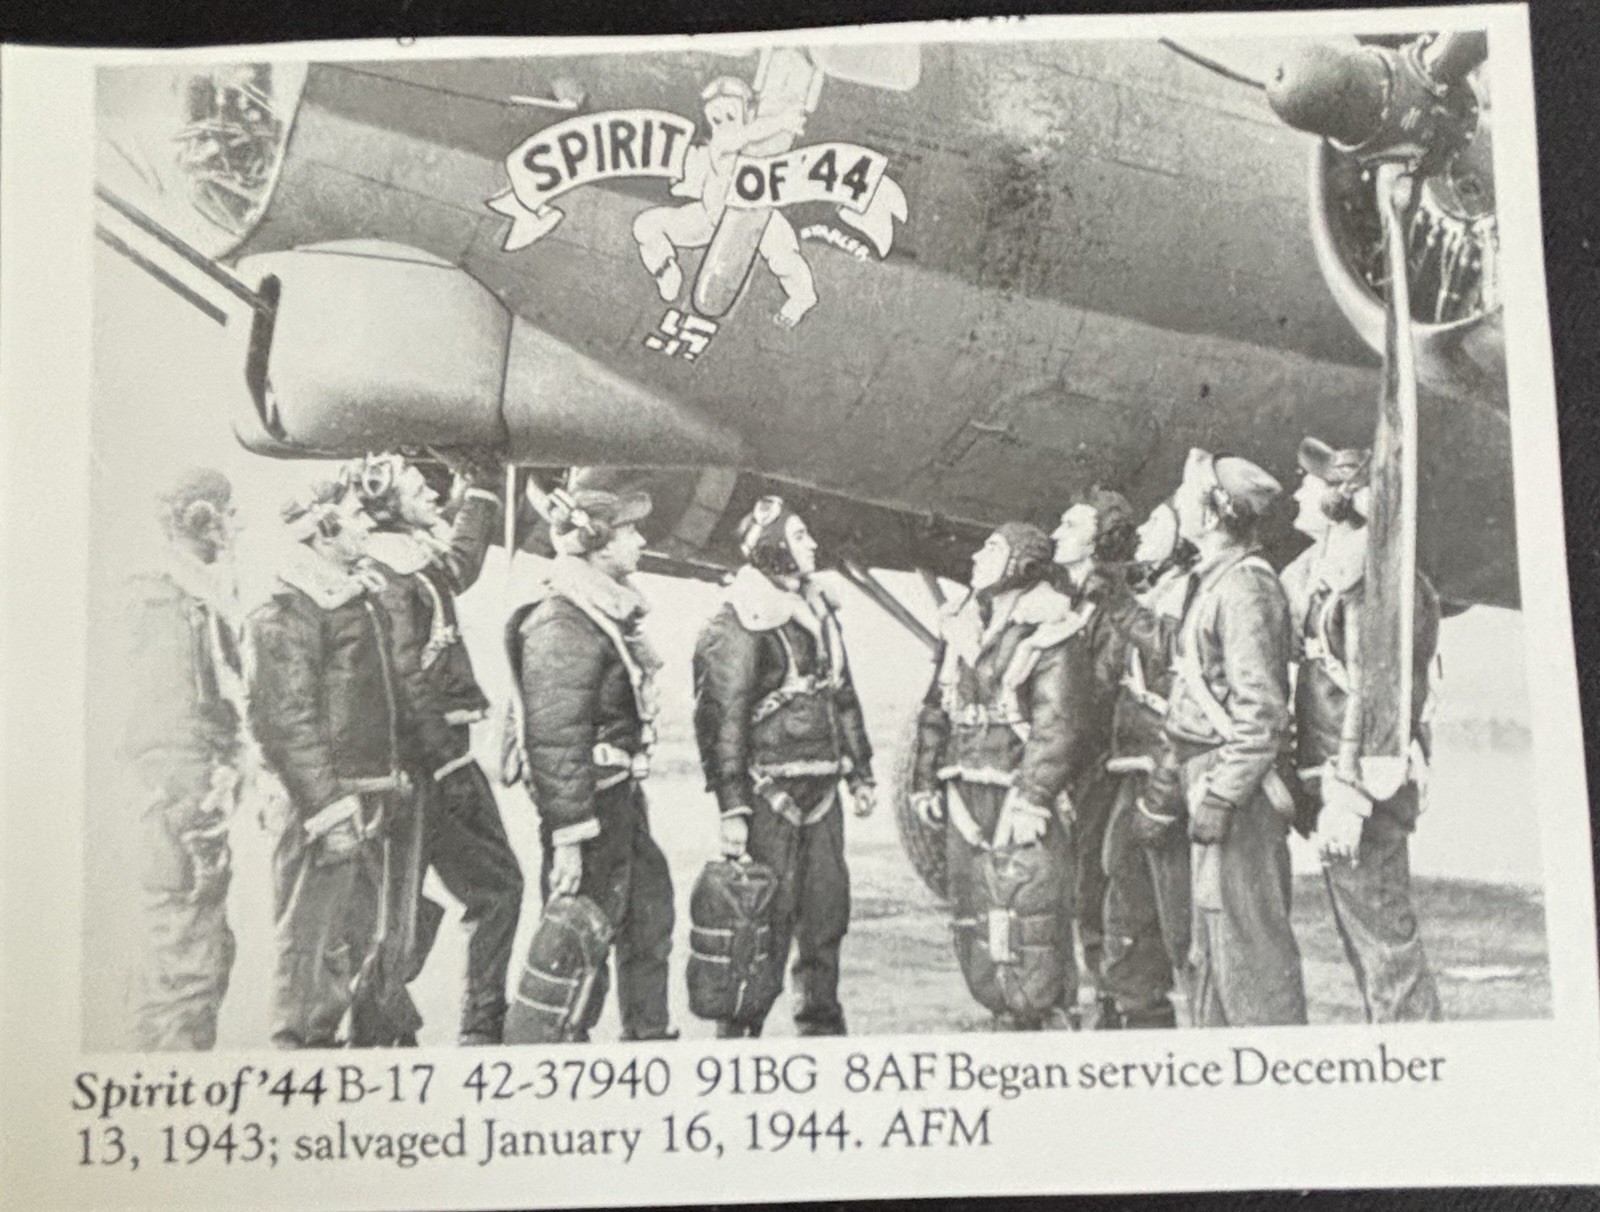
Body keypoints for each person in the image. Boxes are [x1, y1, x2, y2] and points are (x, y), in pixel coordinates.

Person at [348, 451, 524, 1046]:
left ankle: (477, 1026)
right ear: (391, 506)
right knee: (397, 915)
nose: (431, 492)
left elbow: (457, 564)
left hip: (442, 760)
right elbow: (408, 681)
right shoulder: (388, 577)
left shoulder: (411, 560)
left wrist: (482, 489)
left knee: (496, 886)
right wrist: (448, 762)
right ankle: (380, 1032)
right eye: (418, 487)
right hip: (420, 769)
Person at [692, 496, 876, 1037]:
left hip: (823, 794)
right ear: (773, 549)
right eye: (799, 536)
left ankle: (820, 1026)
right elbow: (721, 720)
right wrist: (732, 808)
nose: (812, 544)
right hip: (768, 796)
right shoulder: (737, 621)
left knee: (826, 914)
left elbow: (843, 696)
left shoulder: (818, 613)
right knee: (761, 921)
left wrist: (860, 772)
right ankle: (740, 1031)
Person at [910, 521, 1095, 1030]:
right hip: (964, 791)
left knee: (1034, 913)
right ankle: (1002, 1013)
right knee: (972, 907)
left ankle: (1050, 1015)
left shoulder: (1050, 627)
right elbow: (936, 709)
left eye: (990, 550)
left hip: (1020, 794)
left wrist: (1034, 797)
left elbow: (1059, 722)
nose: (975, 558)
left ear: (1020, 563)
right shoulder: (960, 625)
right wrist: (925, 782)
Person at [1282, 437, 1443, 1022]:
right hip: (1336, 782)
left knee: (1386, 953)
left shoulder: (1374, 582)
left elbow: (1376, 697)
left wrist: (1348, 796)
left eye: (1308, 483)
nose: (1297, 493)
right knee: (1369, 949)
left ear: (1338, 498)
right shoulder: (1331, 571)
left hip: (1360, 791)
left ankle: (1417, 1057)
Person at [508, 488, 677, 1043]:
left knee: (648, 918)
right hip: (591, 812)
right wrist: (569, 839)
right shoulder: (561, 624)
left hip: (619, 799)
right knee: (579, 944)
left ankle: (648, 1040)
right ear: (598, 542)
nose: (642, 540)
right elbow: (554, 742)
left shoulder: (596, 615)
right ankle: (560, 1057)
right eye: (630, 531)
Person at [246, 478, 410, 1049]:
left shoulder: (347, 600)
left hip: (356, 795)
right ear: (325, 530)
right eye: (355, 515)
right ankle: (295, 1053)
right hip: (322, 804)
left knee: (349, 931)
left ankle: (320, 1040)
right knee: (309, 938)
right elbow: (284, 723)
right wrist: (328, 810)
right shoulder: (286, 612)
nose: (367, 525)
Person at [1156, 448, 1306, 1027]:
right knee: (1213, 953)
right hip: (1212, 776)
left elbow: (1262, 712)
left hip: (1235, 787)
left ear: (1215, 513)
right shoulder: (1216, 579)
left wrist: (1223, 794)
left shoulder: (1246, 588)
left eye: (1189, 496)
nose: (1178, 504)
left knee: (1250, 954)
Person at [113, 468, 243, 1050]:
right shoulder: (171, 603)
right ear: (203, 520)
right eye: (229, 513)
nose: (237, 526)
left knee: (186, 955)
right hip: (182, 797)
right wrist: (200, 793)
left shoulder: (176, 596)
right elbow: (164, 717)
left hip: (177, 793)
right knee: (190, 963)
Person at [1096, 499, 1199, 1028]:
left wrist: (1118, 602)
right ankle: (1140, 1012)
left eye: (1157, 522)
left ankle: (1194, 1014)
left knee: (1178, 907)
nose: (1143, 531)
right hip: (1136, 764)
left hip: (1169, 767)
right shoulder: (1152, 594)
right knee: (1125, 890)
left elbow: (1171, 658)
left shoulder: (1191, 594)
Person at [1048, 488, 1140, 1028]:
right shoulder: (1082, 599)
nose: (1056, 534)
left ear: (1098, 541)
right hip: (1086, 763)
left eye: (1069, 526)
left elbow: (1098, 691)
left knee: (1096, 885)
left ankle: (1111, 1000)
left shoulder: (1106, 600)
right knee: (1088, 885)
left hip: (1100, 765)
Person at [630, 75, 816, 327]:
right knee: (646, 224)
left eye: (730, 116)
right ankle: (665, 269)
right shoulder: (721, 144)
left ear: (748, 113)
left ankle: (803, 297)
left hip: (758, 218)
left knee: (784, 260)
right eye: (717, 120)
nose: (724, 125)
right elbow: (741, 136)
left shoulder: (765, 144)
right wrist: (781, 122)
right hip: (712, 218)